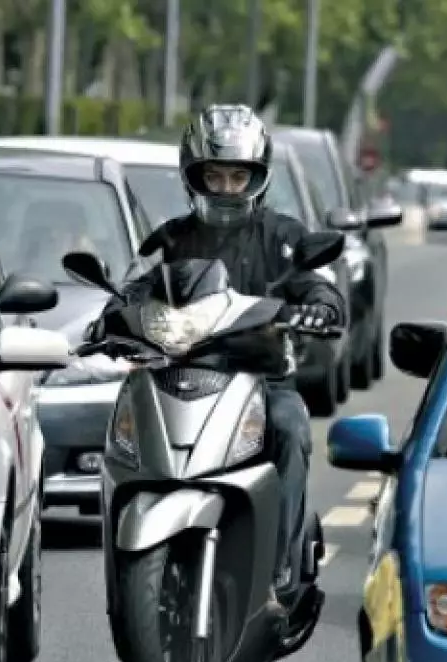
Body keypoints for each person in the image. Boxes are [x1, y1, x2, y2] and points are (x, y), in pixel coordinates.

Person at [90, 104, 346, 618]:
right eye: (215, 175)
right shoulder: (170, 238)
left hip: (260, 382)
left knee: (293, 428)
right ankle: (126, 566)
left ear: (258, 178)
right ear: (193, 175)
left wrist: (321, 307)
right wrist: (111, 318)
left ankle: (281, 570)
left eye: (238, 176)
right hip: (177, 377)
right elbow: (134, 287)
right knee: (123, 434)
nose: (226, 187)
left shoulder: (283, 235)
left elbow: (317, 283)